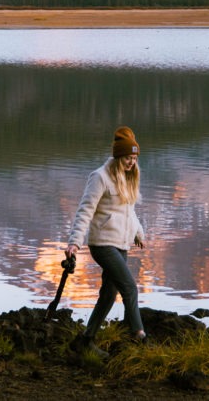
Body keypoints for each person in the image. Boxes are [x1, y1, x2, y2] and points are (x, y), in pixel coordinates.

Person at [66, 126, 146, 357]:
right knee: (130, 288)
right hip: (102, 244)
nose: (132, 162)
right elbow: (85, 211)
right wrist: (74, 243)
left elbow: (129, 211)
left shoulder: (128, 177)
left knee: (109, 294)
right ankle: (139, 336)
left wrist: (138, 232)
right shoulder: (100, 177)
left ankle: (85, 340)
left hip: (121, 244)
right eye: (128, 158)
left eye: (134, 158)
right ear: (118, 155)